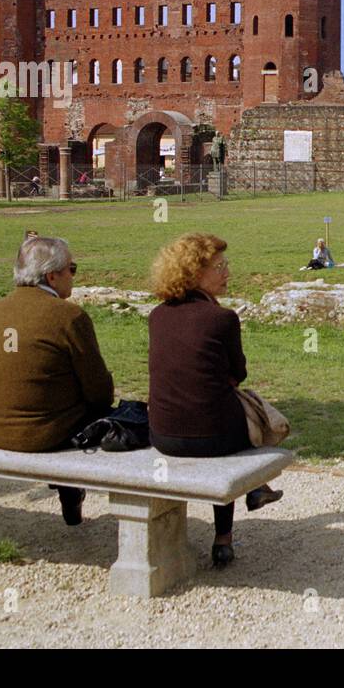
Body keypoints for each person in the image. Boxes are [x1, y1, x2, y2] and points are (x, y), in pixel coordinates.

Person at [148, 233, 283, 568]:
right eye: (219, 267)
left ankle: (255, 489)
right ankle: (224, 536)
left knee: (218, 408)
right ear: (194, 273)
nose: (227, 273)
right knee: (241, 414)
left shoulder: (157, 315)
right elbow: (238, 373)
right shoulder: (222, 318)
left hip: (163, 434)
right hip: (214, 435)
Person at [0, 234, 114, 525]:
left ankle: (69, 493)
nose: (74, 276)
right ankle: (70, 491)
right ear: (52, 276)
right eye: (72, 269)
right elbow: (99, 393)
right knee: (98, 414)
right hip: (42, 433)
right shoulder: (68, 316)